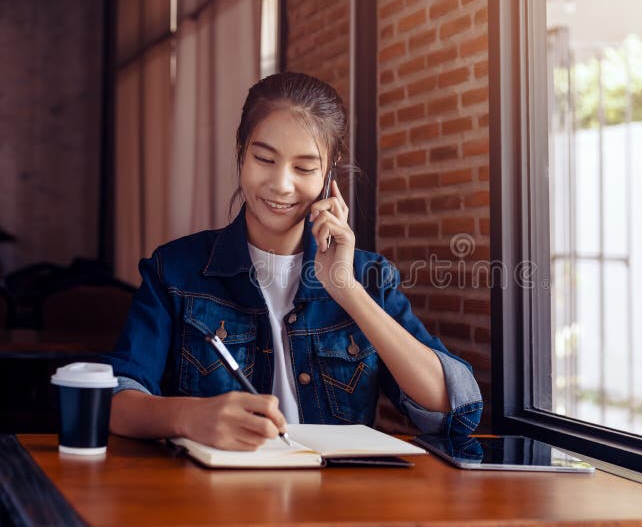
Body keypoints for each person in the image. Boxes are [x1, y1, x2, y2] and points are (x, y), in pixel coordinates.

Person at [105, 72, 482, 451]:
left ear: (329, 170)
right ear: (240, 150)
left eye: (303, 168)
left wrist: (347, 290)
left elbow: (453, 410)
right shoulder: (175, 270)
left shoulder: (369, 277)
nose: (281, 184)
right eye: (265, 158)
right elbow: (116, 401)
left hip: (332, 501)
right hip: (212, 497)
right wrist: (188, 417)